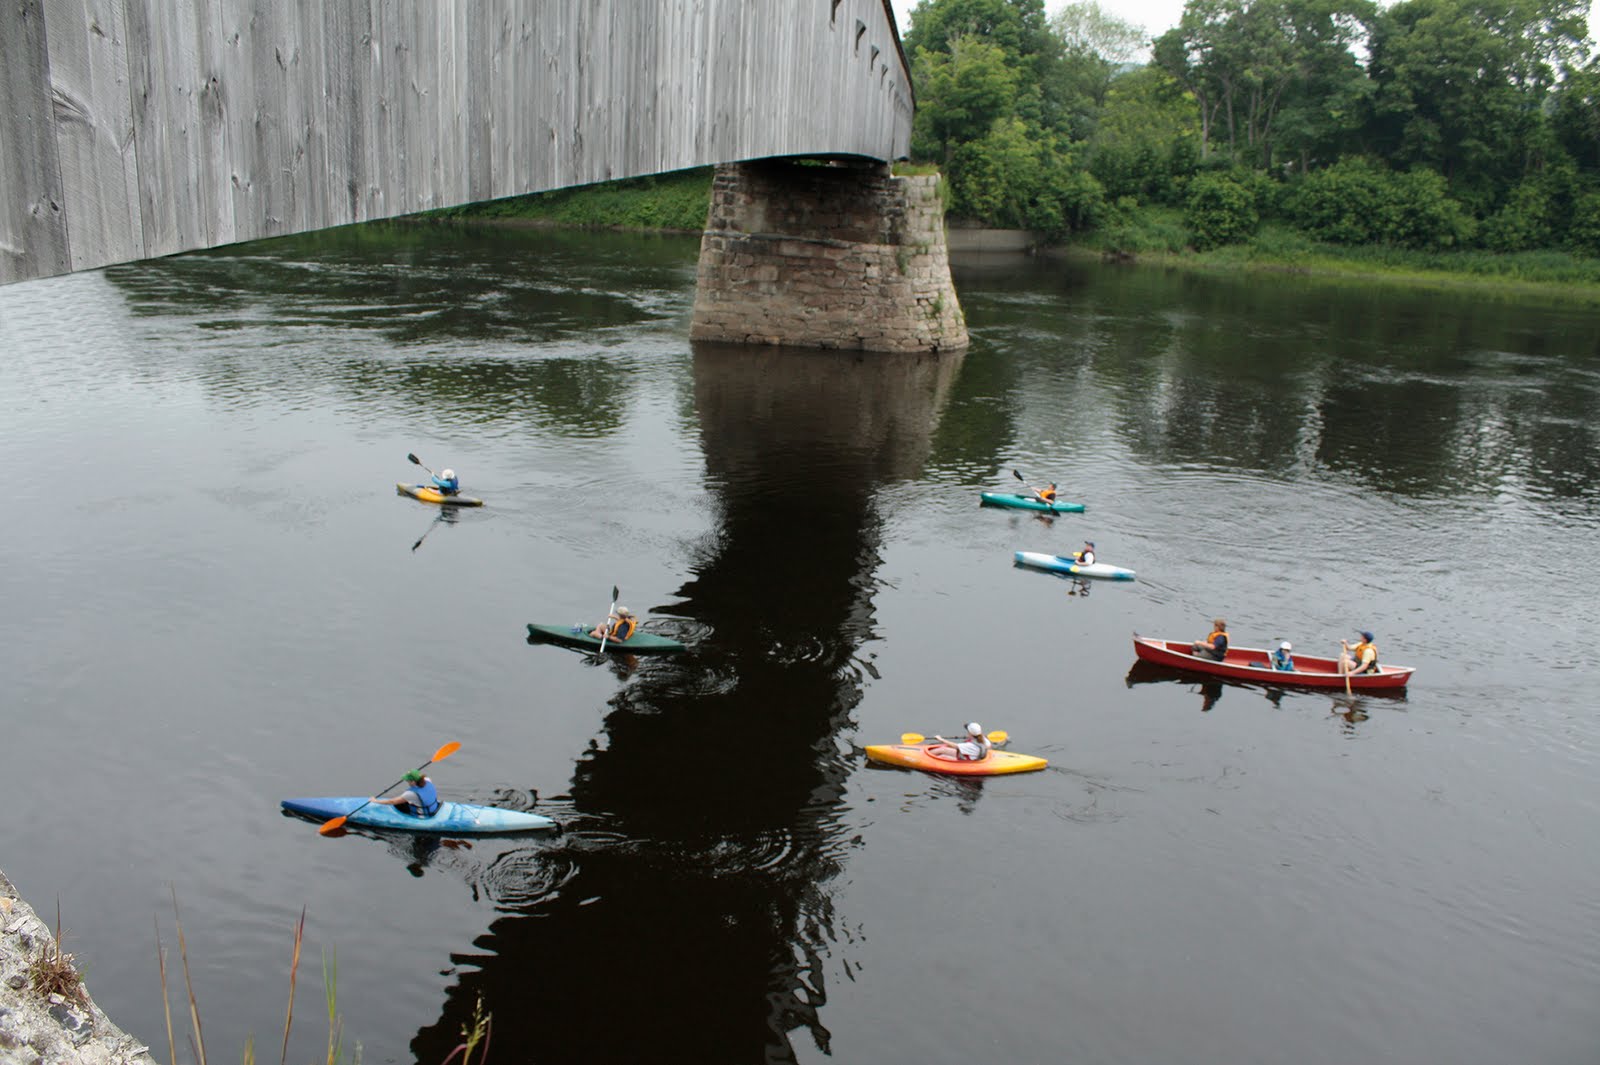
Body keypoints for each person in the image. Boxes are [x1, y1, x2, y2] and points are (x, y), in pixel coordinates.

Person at [372, 770, 441, 818]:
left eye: (408, 780)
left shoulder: (411, 794)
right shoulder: (427, 780)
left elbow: (392, 801)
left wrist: (376, 801)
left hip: (423, 816)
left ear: (413, 782)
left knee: (397, 804)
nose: (407, 781)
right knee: (408, 801)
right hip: (435, 808)